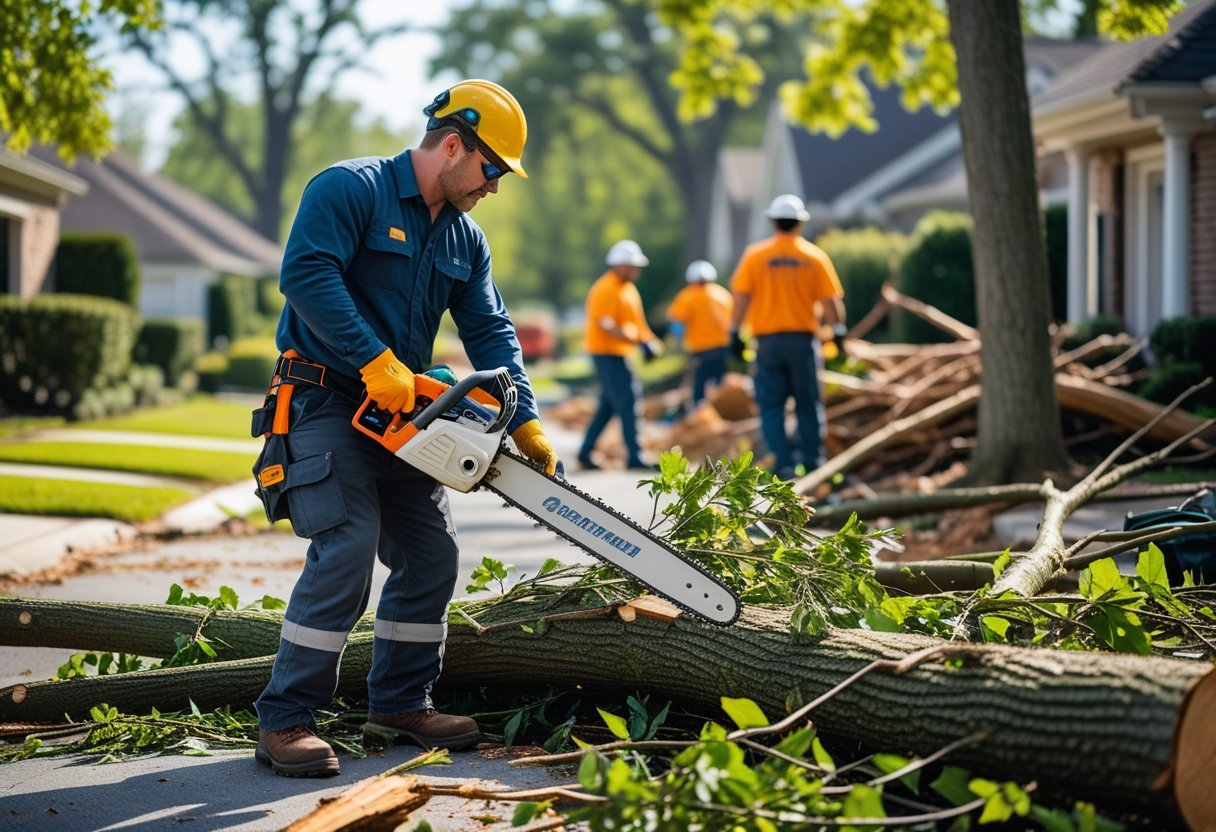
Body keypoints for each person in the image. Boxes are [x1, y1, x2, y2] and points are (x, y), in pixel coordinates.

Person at [250, 79, 559, 778]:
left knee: (431, 553)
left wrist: (527, 420)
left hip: (401, 418)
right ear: (454, 145)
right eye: (492, 170)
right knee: (349, 545)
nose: (495, 187)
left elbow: (491, 329)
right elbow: (305, 273)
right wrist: (372, 358)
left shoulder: (464, 238)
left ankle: (399, 700)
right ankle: (286, 718)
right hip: (324, 400)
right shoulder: (349, 189)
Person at [730, 194, 845, 480]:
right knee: (808, 404)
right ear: (800, 223)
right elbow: (831, 302)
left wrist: (733, 333)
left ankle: (782, 464)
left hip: (767, 343)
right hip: (803, 342)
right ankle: (813, 464)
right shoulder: (813, 257)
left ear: (773, 222)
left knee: (771, 406)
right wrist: (839, 331)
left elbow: (741, 298)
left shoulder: (755, 256)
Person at [577, 239, 663, 470]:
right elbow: (607, 324)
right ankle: (635, 456)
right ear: (620, 265)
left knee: (608, 406)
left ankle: (585, 452)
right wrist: (637, 341)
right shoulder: (605, 288)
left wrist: (650, 341)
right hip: (606, 354)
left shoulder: (629, 290)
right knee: (629, 400)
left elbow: (639, 324)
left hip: (619, 353)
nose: (637, 270)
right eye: (633, 265)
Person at [666, 259, 733, 408]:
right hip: (722, 347)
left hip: (700, 350)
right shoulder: (722, 294)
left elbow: (676, 320)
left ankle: (699, 414)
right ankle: (720, 411)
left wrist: (674, 342)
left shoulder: (688, 295)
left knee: (699, 385)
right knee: (719, 383)